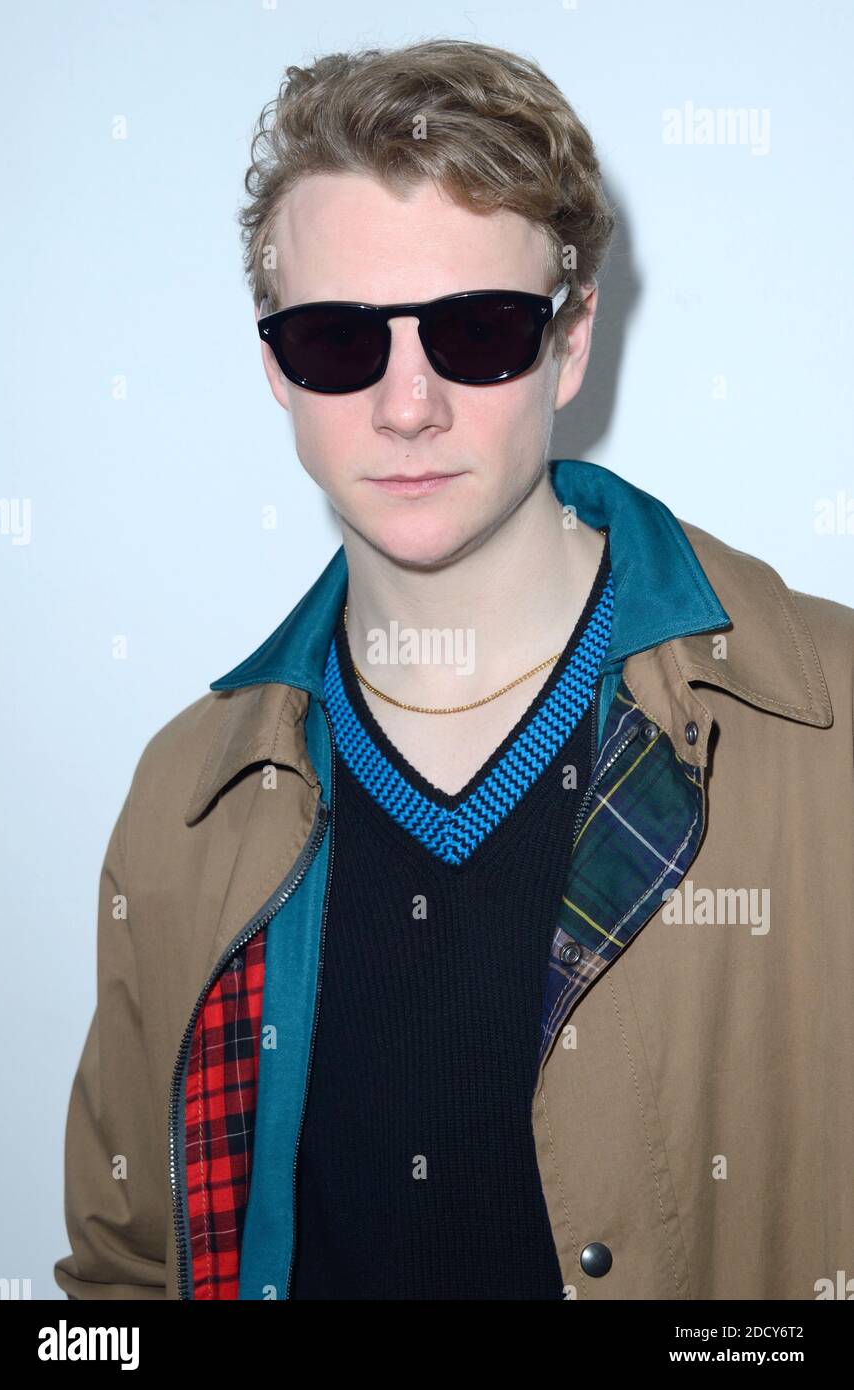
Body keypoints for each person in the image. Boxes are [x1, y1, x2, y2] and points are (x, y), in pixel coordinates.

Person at [55, 37, 854, 1302]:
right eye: (335, 340)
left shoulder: (831, 729)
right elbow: (126, 1267)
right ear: (274, 364)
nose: (407, 403)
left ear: (570, 342)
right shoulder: (181, 798)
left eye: (477, 332)